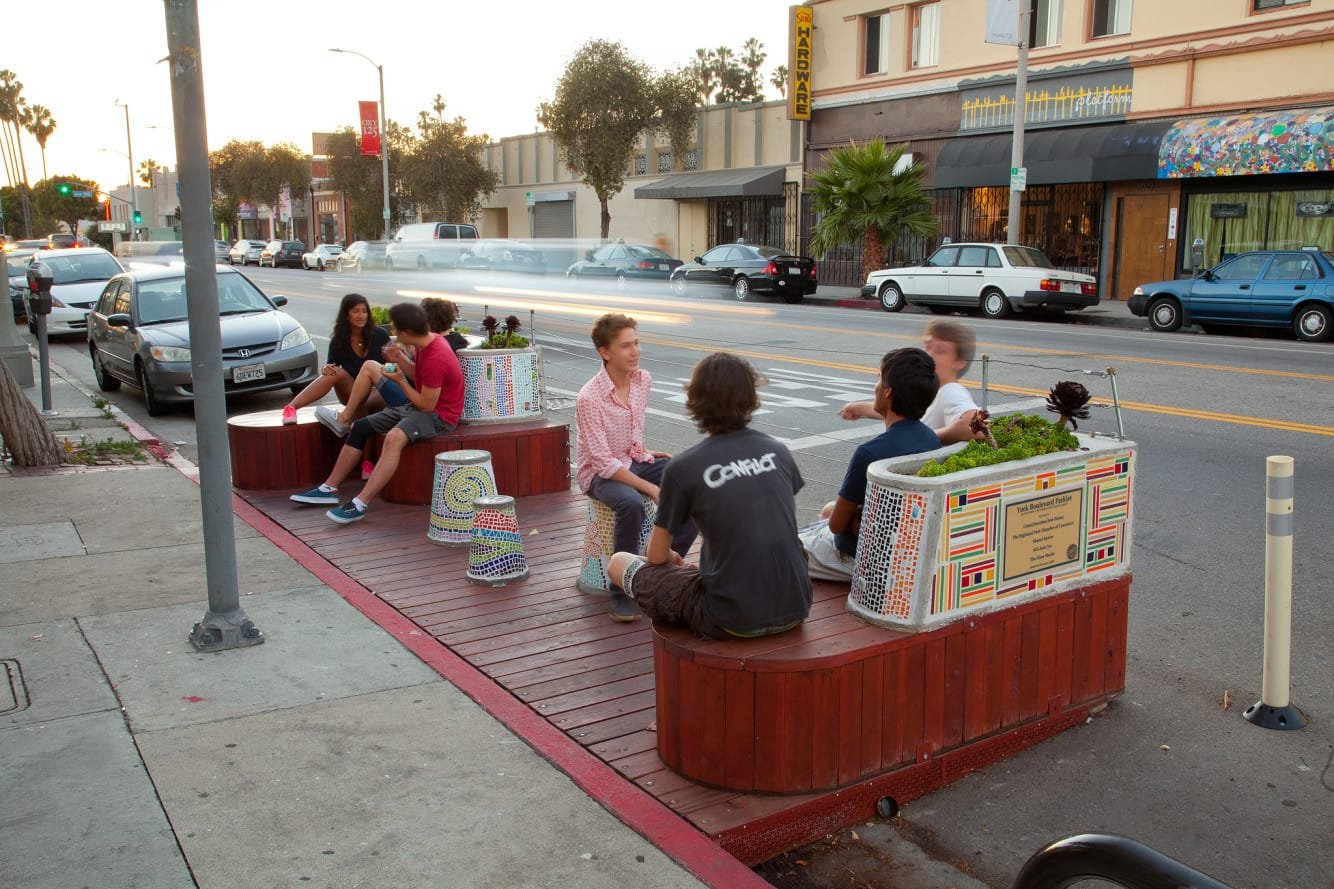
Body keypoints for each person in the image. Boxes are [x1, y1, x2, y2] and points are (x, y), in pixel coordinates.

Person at [605, 353, 811, 638]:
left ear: (695, 400)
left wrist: (672, 558)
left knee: (619, 562)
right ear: (751, 398)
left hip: (729, 618)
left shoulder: (683, 467)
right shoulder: (777, 451)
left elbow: (656, 556)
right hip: (796, 607)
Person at [289, 302, 464, 525]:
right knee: (360, 426)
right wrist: (400, 360)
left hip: (440, 416)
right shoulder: (424, 344)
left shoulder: (436, 355)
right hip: (418, 407)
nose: (394, 334)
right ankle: (328, 488)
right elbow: (418, 376)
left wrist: (399, 380)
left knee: (394, 438)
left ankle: (360, 503)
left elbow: (427, 406)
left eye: (398, 330)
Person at [576, 313, 697, 622]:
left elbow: (632, 437)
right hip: (599, 474)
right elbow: (603, 461)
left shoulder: (643, 380)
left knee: (691, 485)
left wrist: (650, 456)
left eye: (637, 343)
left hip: (633, 460)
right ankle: (623, 590)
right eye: (626, 346)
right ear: (605, 352)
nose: (635, 351)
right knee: (631, 503)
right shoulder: (589, 397)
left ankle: (663, 567)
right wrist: (650, 487)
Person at [801, 348, 941, 582]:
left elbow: (836, 526)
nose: (875, 385)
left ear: (888, 392)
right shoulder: (931, 440)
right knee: (827, 510)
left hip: (861, 560)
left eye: (878, 378)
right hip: (905, 554)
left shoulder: (869, 453)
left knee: (782, 550)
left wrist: (855, 517)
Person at [839, 319, 980, 445]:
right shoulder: (930, 391)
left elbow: (977, 427)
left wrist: (923, 438)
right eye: (927, 346)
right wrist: (860, 408)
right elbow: (900, 410)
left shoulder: (951, 391)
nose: (928, 354)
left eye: (940, 350)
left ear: (960, 363)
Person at [280, 293, 407, 425]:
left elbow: (393, 366)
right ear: (346, 315)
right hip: (352, 393)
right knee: (334, 371)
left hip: (378, 392)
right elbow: (330, 366)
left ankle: (351, 418)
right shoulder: (339, 340)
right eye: (356, 311)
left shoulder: (379, 334)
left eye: (364, 311)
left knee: (371, 378)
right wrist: (326, 368)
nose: (361, 315)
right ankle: (291, 408)